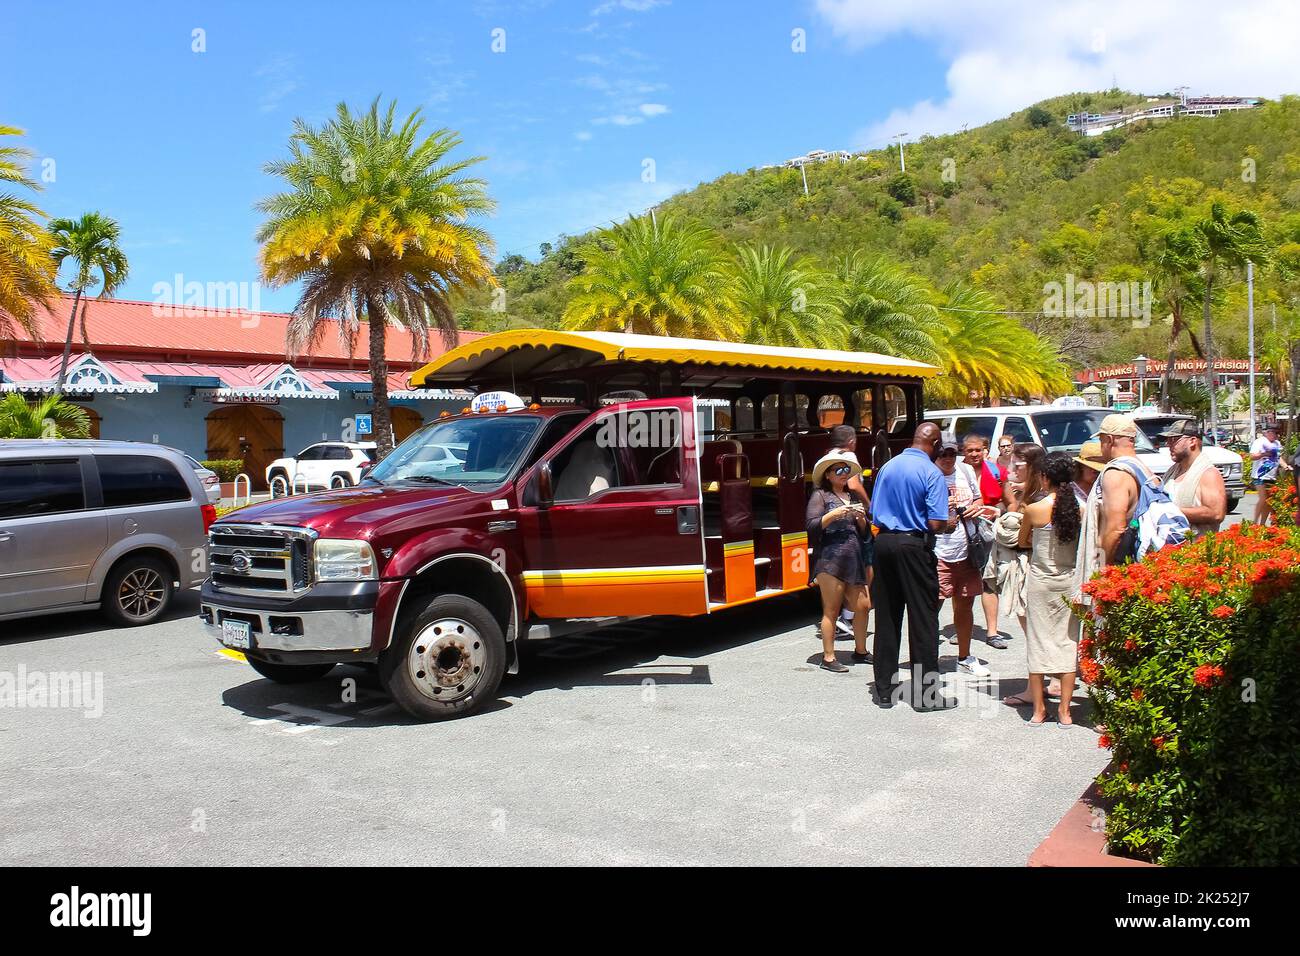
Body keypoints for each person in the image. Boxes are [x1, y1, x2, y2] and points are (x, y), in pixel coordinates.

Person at [868, 422, 957, 711]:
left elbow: (874, 511)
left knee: (887, 617)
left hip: (883, 544)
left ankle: (884, 690)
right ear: (936, 444)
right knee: (923, 618)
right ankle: (926, 695)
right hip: (913, 546)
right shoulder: (932, 472)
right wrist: (949, 523)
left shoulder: (888, 467)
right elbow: (935, 523)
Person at [1012, 452, 1082, 726]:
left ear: (1045, 477)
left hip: (1041, 582)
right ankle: (1065, 711)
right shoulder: (1081, 509)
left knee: (1038, 643)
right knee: (1067, 642)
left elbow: (1022, 540)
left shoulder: (1034, 509)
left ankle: (1039, 711)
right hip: (1069, 580)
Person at [1073, 414, 1151, 605]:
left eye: (1101, 440)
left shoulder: (1115, 473)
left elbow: (1116, 528)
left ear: (1109, 440)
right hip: (1140, 565)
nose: (1101, 446)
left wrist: (1102, 568)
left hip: (1120, 567)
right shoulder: (1144, 469)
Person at [805, 450, 871, 673]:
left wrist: (861, 520)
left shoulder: (852, 497)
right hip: (830, 558)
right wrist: (835, 514)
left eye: (846, 470)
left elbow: (865, 534)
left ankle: (861, 651)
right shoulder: (820, 496)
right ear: (828, 475)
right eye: (839, 470)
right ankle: (829, 656)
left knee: (863, 606)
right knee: (831, 610)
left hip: (853, 557)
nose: (844, 474)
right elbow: (812, 527)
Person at [934, 441, 992, 677]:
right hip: (938, 551)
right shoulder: (929, 475)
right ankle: (927, 658)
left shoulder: (965, 470)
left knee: (965, 605)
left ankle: (964, 657)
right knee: (931, 608)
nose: (948, 458)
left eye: (952, 453)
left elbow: (979, 499)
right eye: (942, 454)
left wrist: (976, 508)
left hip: (967, 549)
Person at [828, 423, 872, 639]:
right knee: (866, 566)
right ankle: (847, 616)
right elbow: (854, 485)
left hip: (833, 516)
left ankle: (842, 616)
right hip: (852, 515)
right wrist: (869, 505)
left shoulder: (826, 458)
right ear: (852, 441)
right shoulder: (849, 456)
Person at [961, 434, 1004, 648]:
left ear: (984, 450)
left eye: (978, 450)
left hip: (988, 534)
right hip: (962, 535)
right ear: (963, 452)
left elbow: (1011, 503)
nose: (975, 454)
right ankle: (961, 627)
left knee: (989, 580)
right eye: (970, 450)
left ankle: (992, 632)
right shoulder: (956, 472)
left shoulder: (997, 472)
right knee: (963, 584)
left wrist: (996, 511)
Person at [1160, 420, 1227, 539]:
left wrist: (1170, 512)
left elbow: (1216, 513)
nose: (1168, 444)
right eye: (1168, 440)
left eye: (1174, 439)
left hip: (1195, 552)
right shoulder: (1172, 471)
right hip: (1170, 550)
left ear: (1192, 441)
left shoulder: (1208, 474)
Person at [1251, 425, 1283, 525]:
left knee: (1269, 502)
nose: (1276, 436)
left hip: (1271, 476)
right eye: (1274, 433)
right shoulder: (1259, 442)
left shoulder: (1277, 443)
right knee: (1263, 498)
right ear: (1268, 432)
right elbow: (1252, 456)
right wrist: (1264, 454)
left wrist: (1286, 466)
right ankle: (1255, 522)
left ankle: (1262, 524)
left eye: (1277, 433)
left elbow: (1279, 458)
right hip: (1259, 475)